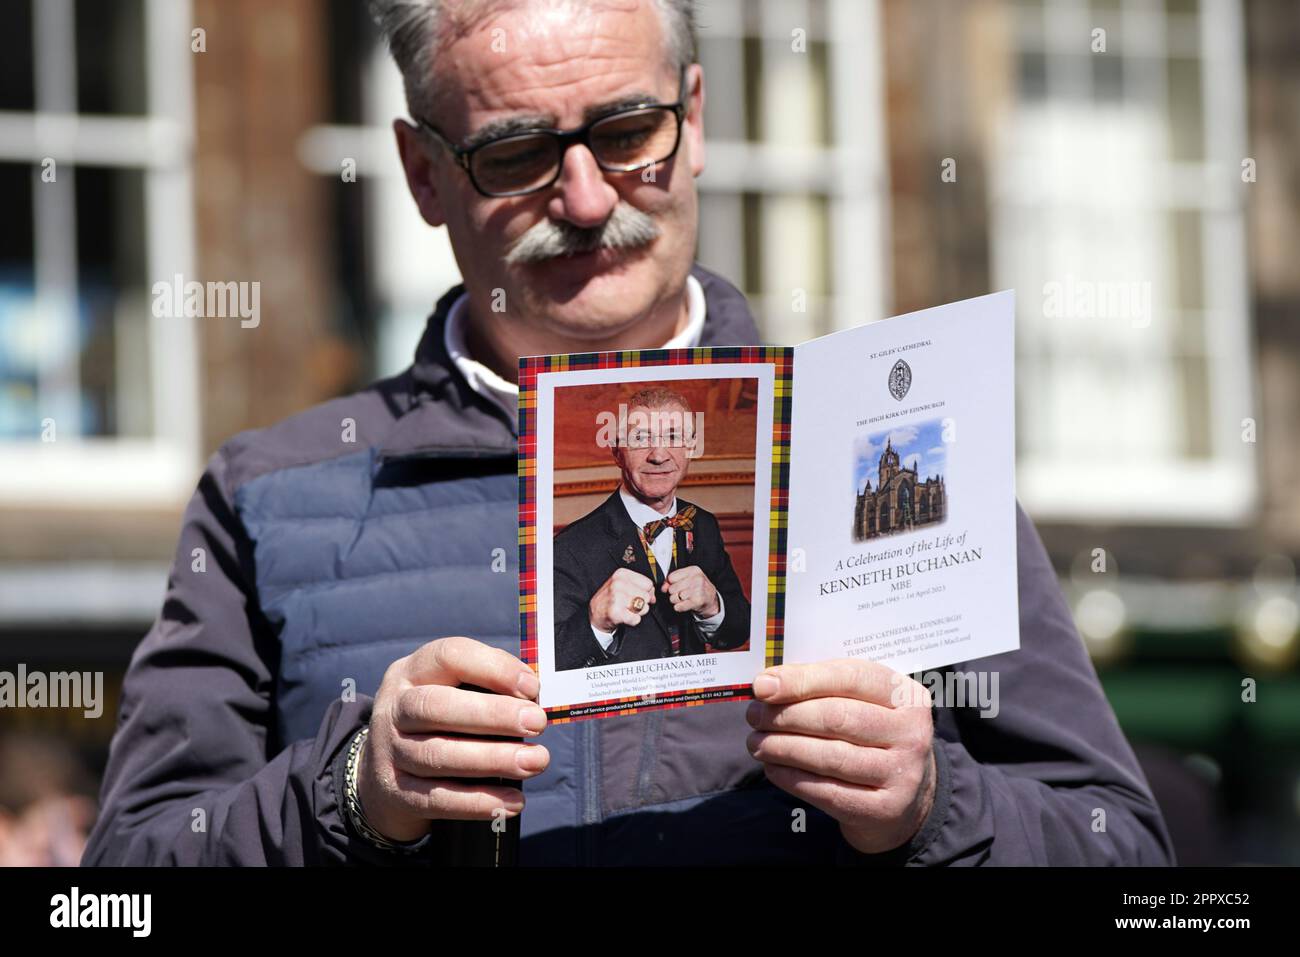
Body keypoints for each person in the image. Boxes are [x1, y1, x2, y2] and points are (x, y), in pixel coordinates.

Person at [82, 0, 1174, 865]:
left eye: (628, 131)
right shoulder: (274, 493)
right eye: (513, 154)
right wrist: (350, 794)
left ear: (694, 121)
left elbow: (1128, 862)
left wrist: (934, 805)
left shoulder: (883, 440)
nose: (590, 197)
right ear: (423, 174)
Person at [553, 386, 752, 670]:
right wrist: (595, 621)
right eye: (640, 438)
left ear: (692, 447)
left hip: (692, 708)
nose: (659, 455)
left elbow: (737, 632)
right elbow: (552, 665)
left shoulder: (704, 524)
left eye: (673, 436)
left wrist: (713, 606)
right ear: (617, 452)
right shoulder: (571, 547)